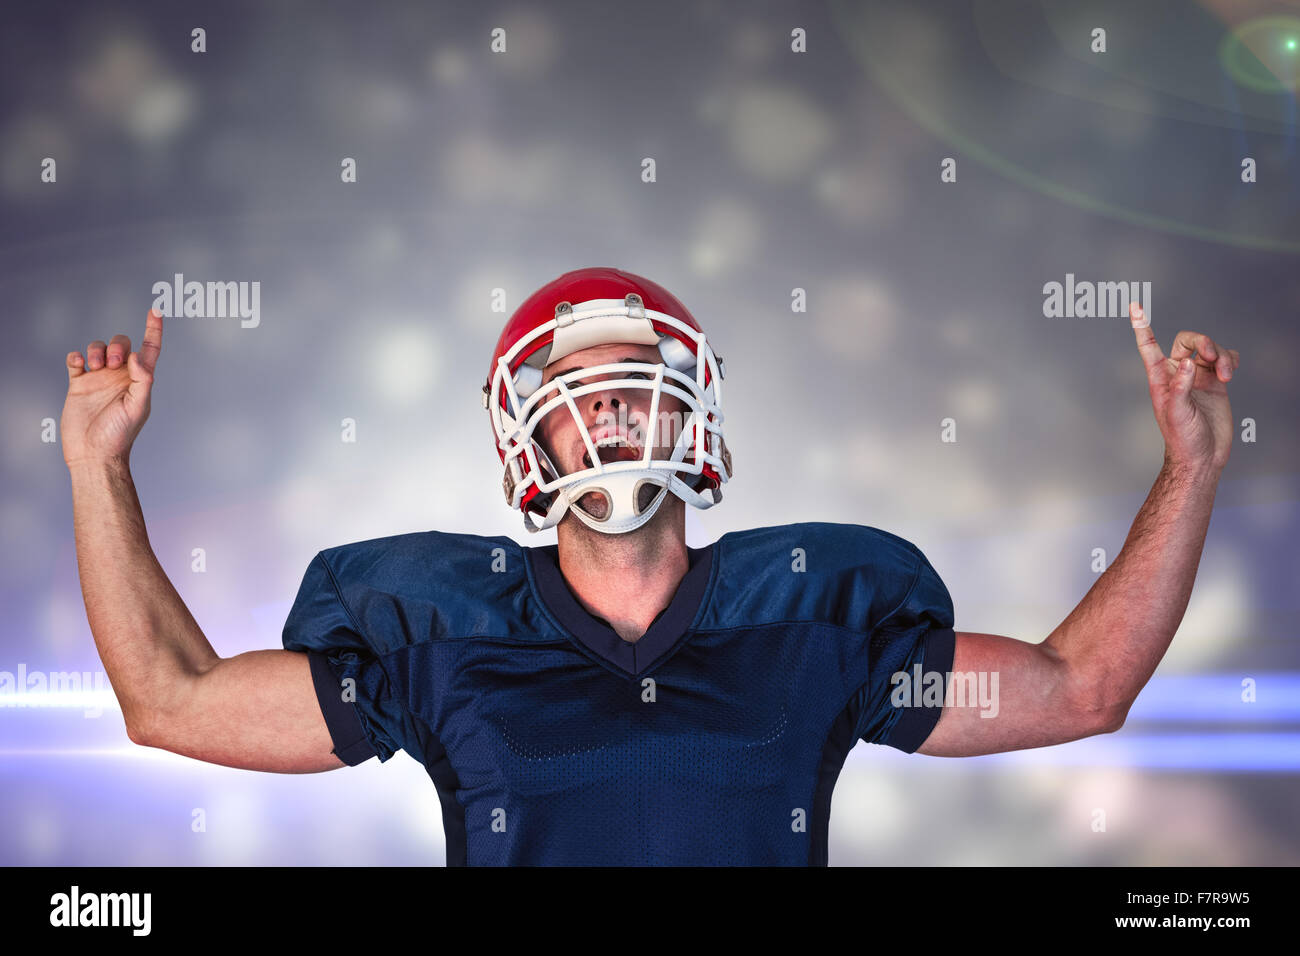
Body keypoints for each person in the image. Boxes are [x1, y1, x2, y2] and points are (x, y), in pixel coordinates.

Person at [61, 266, 1240, 865]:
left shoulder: (815, 622)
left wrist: (1188, 465)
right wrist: (97, 464)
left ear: (693, 416)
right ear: (529, 433)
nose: (612, 411)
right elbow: (168, 702)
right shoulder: (433, 635)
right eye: (578, 396)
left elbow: (1083, 686)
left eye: (637, 383)